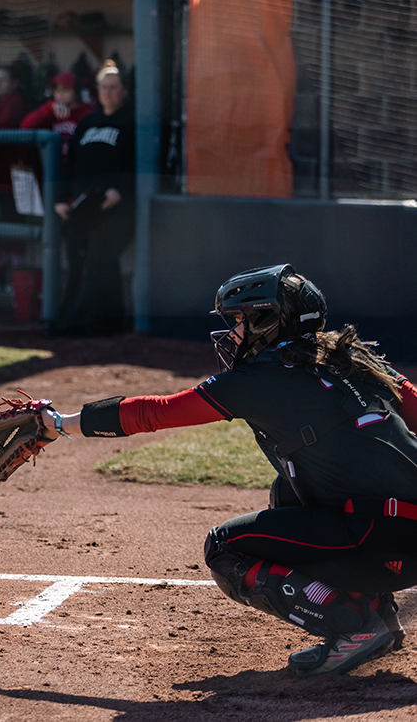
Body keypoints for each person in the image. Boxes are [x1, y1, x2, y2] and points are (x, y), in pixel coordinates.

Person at [33, 264, 417, 677]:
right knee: (287, 490)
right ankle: (375, 607)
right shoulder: (350, 356)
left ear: (268, 320)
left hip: (380, 544)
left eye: (239, 320)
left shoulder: (257, 379)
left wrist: (58, 424)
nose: (232, 331)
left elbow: (154, 413)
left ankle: (356, 624)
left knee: (224, 548)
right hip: (399, 538)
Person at [51, 60, 135, 337]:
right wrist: (61, 199)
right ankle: (110, 322)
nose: (108, 92)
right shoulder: (87, 122)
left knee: (100, 258)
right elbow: (69, 164)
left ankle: (75, 322)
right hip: (83, 207)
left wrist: (120, 190)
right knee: (82, 261)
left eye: (114, 87)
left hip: (117, 209)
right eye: (103, 87)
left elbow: (138, 164)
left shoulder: (131, 121)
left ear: (124, 90)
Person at [21, 71, 94, 163]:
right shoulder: (49, 111)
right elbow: (25, 127)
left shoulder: (87, 113)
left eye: (65, 89)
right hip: (52, 167)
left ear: (76, 92)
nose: (60, 94)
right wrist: (48, 109)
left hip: (76, 167)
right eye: (56, 90)